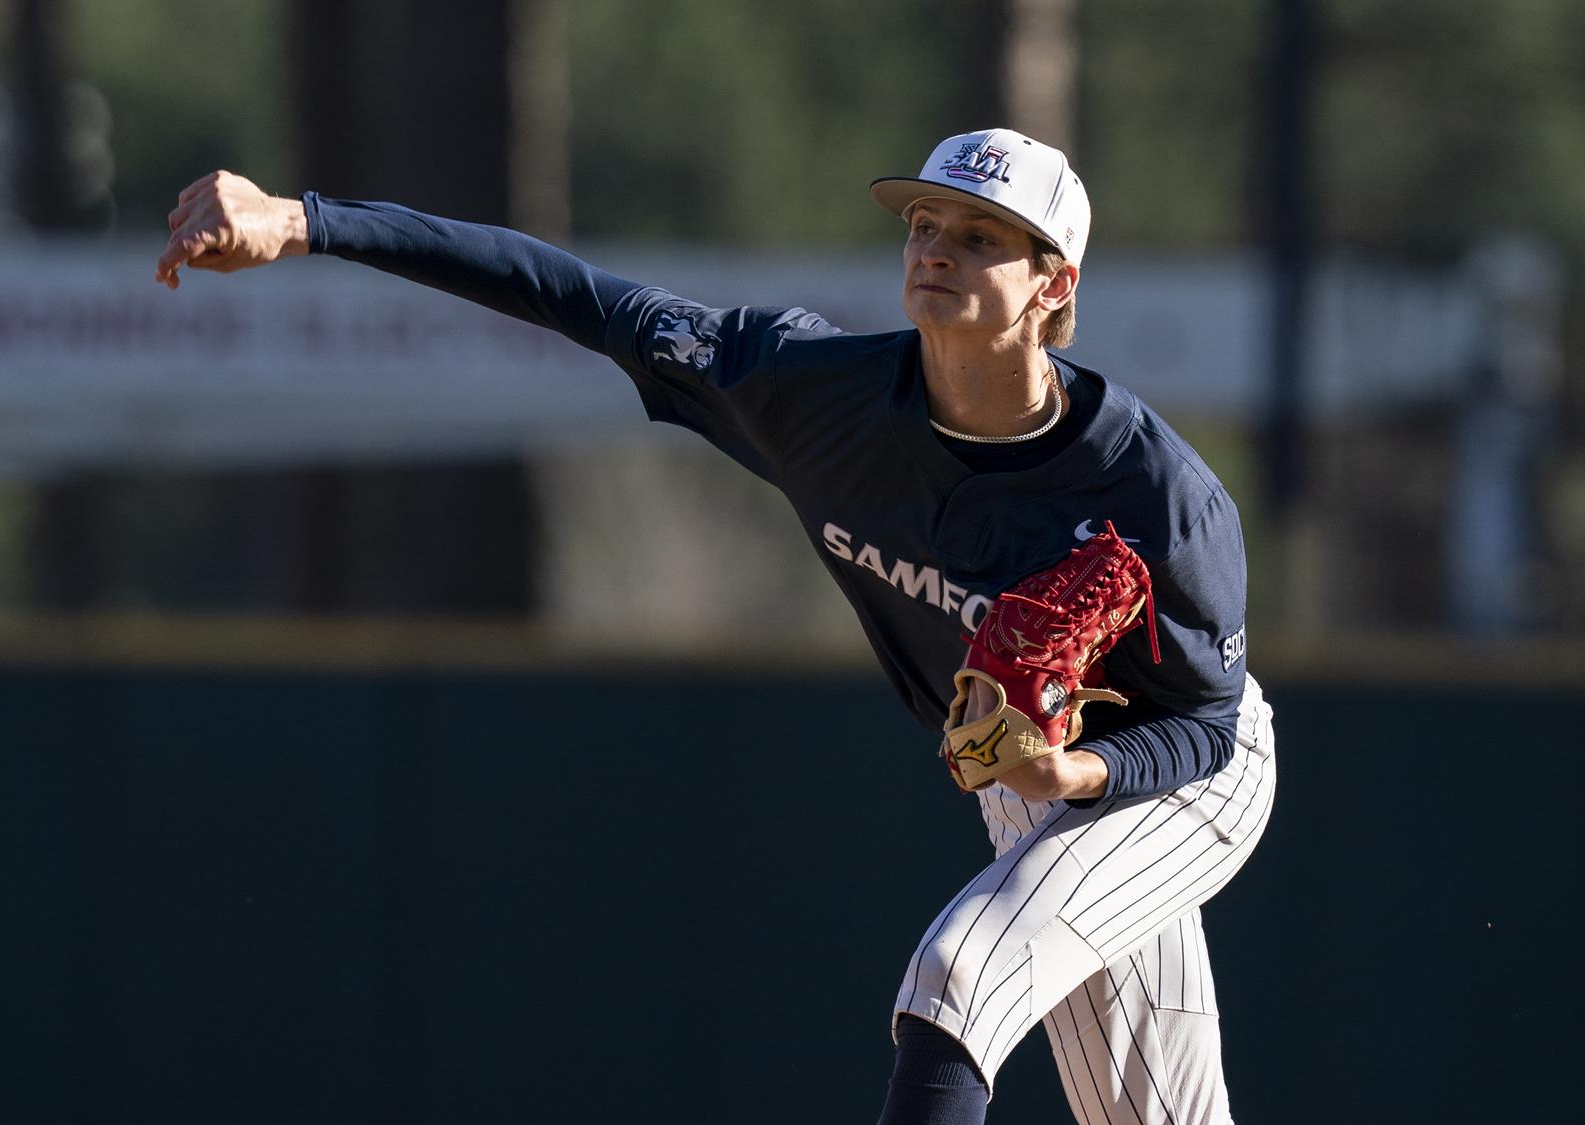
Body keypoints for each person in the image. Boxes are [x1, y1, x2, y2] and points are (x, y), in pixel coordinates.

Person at [156, 127, 1275, 1125]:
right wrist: (307, 222)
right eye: (925, 222)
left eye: (981, 236)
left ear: (1050, 284)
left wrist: (1073, 775)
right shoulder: (803, 394)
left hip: (1172, 773)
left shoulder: (1151, 493)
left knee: (959, 975)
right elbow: (571, 291)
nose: (934, 246)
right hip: (1017, 774)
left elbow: (1207, 726)